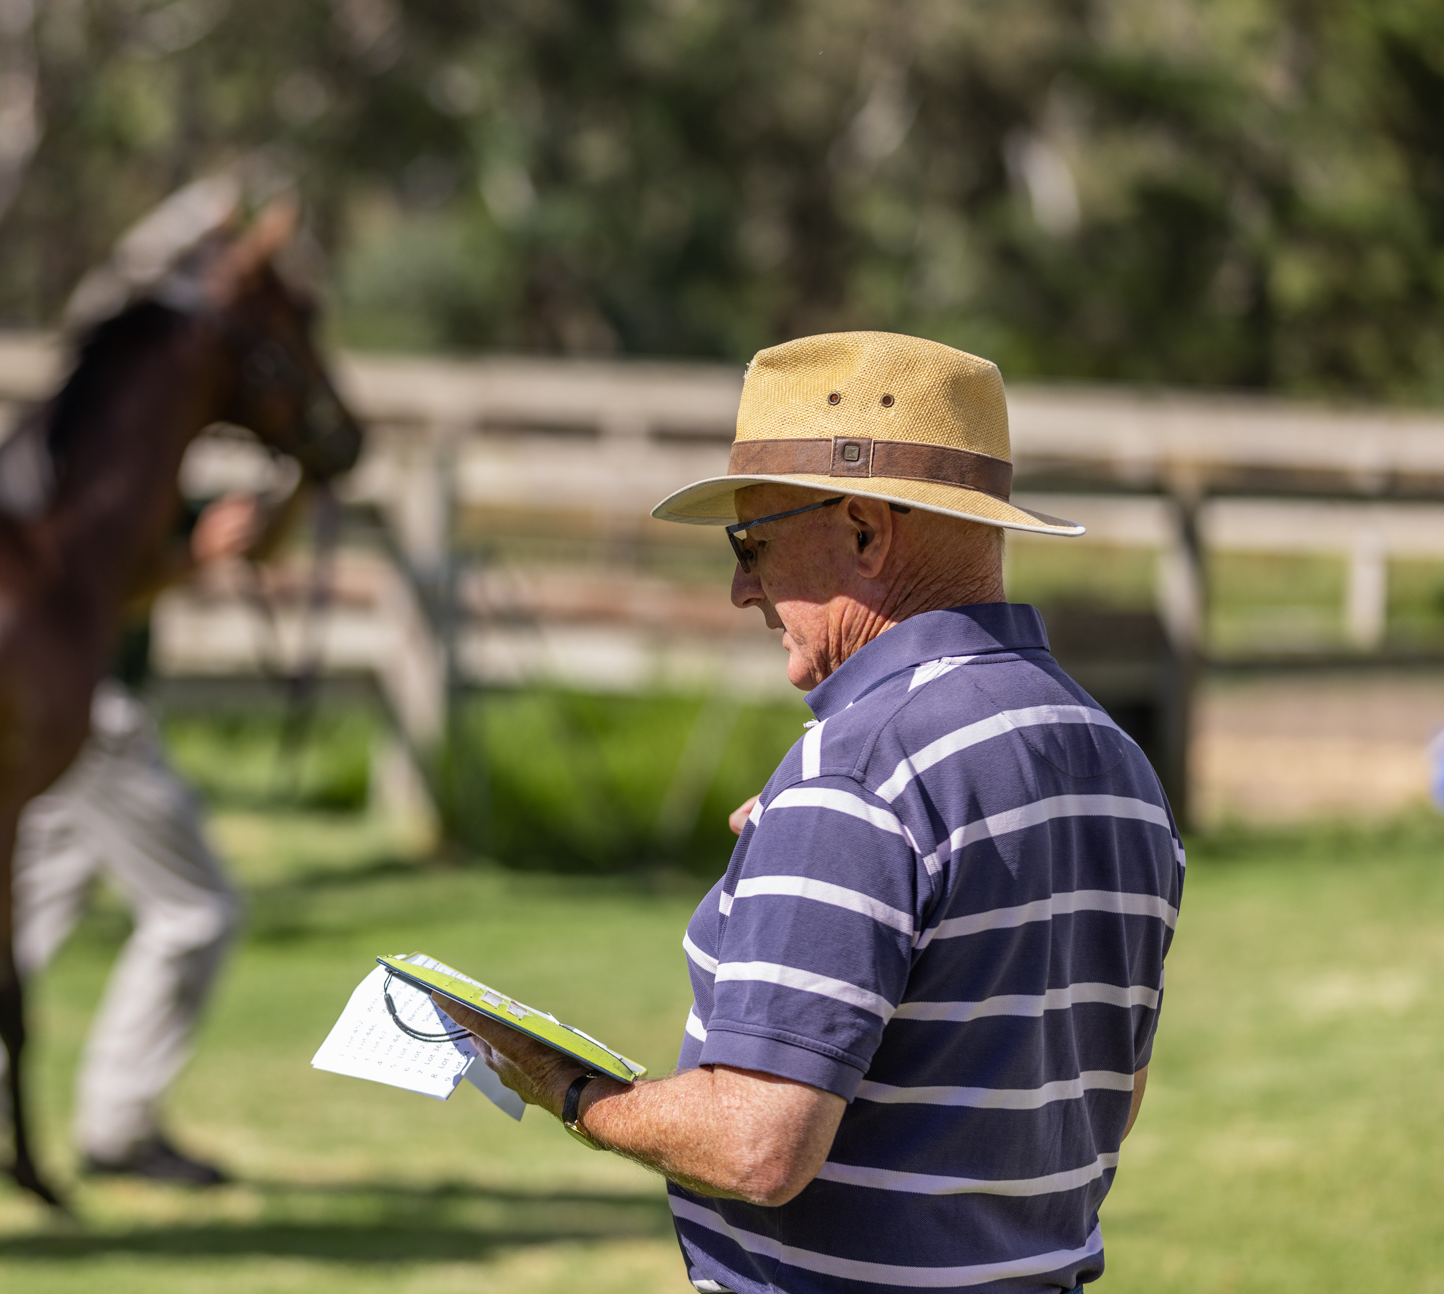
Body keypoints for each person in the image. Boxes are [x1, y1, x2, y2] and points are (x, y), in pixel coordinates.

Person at [436, 332, 1182, 1294]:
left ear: (866, 530)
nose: (742, 586)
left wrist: (565, 1087)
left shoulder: (860, 772)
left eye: (754, 544)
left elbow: (758, 1148)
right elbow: (1100, 1104)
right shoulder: (1113, 758)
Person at [0, 488, 289, 1186]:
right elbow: (87, 598)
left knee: (30, 911)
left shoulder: (131, 460)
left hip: (49, 708)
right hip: (90, 711)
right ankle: (119, 1128)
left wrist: (293, 491)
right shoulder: (104, 478)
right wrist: (194, 559)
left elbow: (252, 546)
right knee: (198, 910)